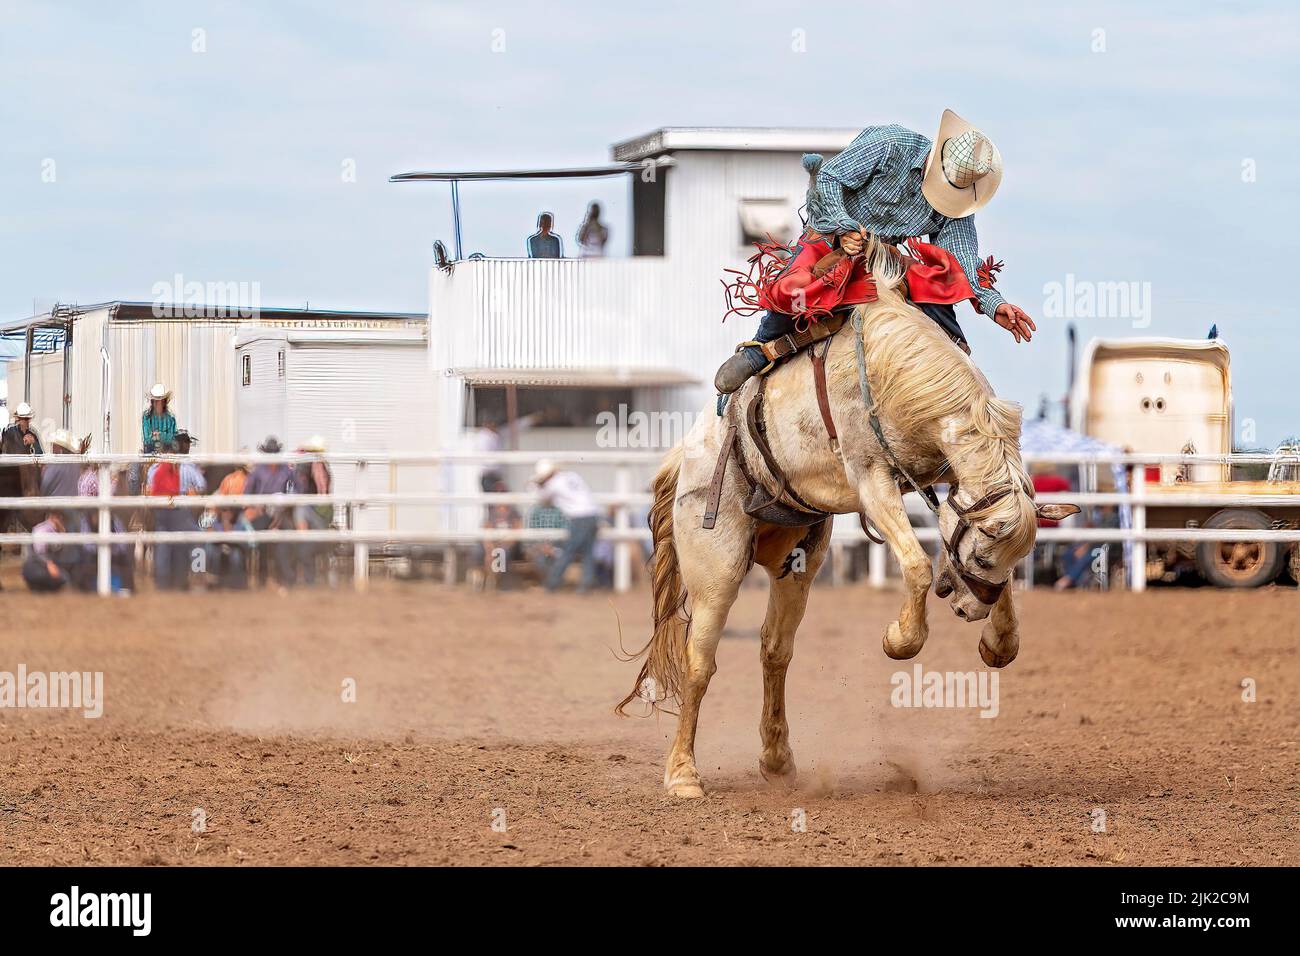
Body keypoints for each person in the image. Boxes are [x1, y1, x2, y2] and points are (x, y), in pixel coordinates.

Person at [714, 109, 1038, 394]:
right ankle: (759, 349)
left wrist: (994, 304)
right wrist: (843, 226)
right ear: (934, 157)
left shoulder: (959, 201)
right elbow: (829, 179)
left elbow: (959, 259)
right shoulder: (889, 144)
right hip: (833, 234)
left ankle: (951, 369)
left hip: (884, 256)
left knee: (938, 285)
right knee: (796, 288)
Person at [530, 459, 599, 593]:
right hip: (592, 514)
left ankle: (552, 584)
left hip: (579, 518)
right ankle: (586, 584)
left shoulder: (552, 484)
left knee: (568, 551)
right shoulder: (572, 475)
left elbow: (542, 499)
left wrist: (536, 485)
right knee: (587, 552)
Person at [243, 436, 293, 587]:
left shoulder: (286, 469)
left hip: (281, 512)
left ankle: (284, 577)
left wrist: (287, 504)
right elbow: (247, 492)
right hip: (262, 511)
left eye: (274, 453)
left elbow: (297, 488)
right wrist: (255, 507)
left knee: (288, 537)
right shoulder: (258, 470)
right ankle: (263, 579)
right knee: (262, 542)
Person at [290, 436, 332, 586]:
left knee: (303, 547)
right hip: (319, 517)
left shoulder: (314, 468)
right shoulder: (321, 468)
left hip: (317, 518)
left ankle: (308, 579)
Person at [0, 402, 43, 532]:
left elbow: (40, 454)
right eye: (23, 418)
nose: (25, 421)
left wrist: (33, 444)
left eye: (27, 418)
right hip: (11, 475)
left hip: (25, 477)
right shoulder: (8, 432)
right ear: (18, 419)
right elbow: (7, 452)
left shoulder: (33, 433)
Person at [22, 512, 71, 592]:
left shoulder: (54, 530)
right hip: (36, 565)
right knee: (63, 578)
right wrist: (50, 565)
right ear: (54, 517)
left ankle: (42, 587)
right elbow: (40, 552)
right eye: (61, 519)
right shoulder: (43, 529)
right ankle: (39, 586)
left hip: (41, 565)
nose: (63, 522)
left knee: (63, 577)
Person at [141, 383, 177, 453]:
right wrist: (164, 436)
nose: (157, 403)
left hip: (166, 454)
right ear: (152, 402)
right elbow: (146, 439)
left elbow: (173, 439)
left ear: (164, 402)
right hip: (149, 453)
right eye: (155, 400)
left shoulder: (171, 419)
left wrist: (159, 435)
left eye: (159, 400)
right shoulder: (147, 418)